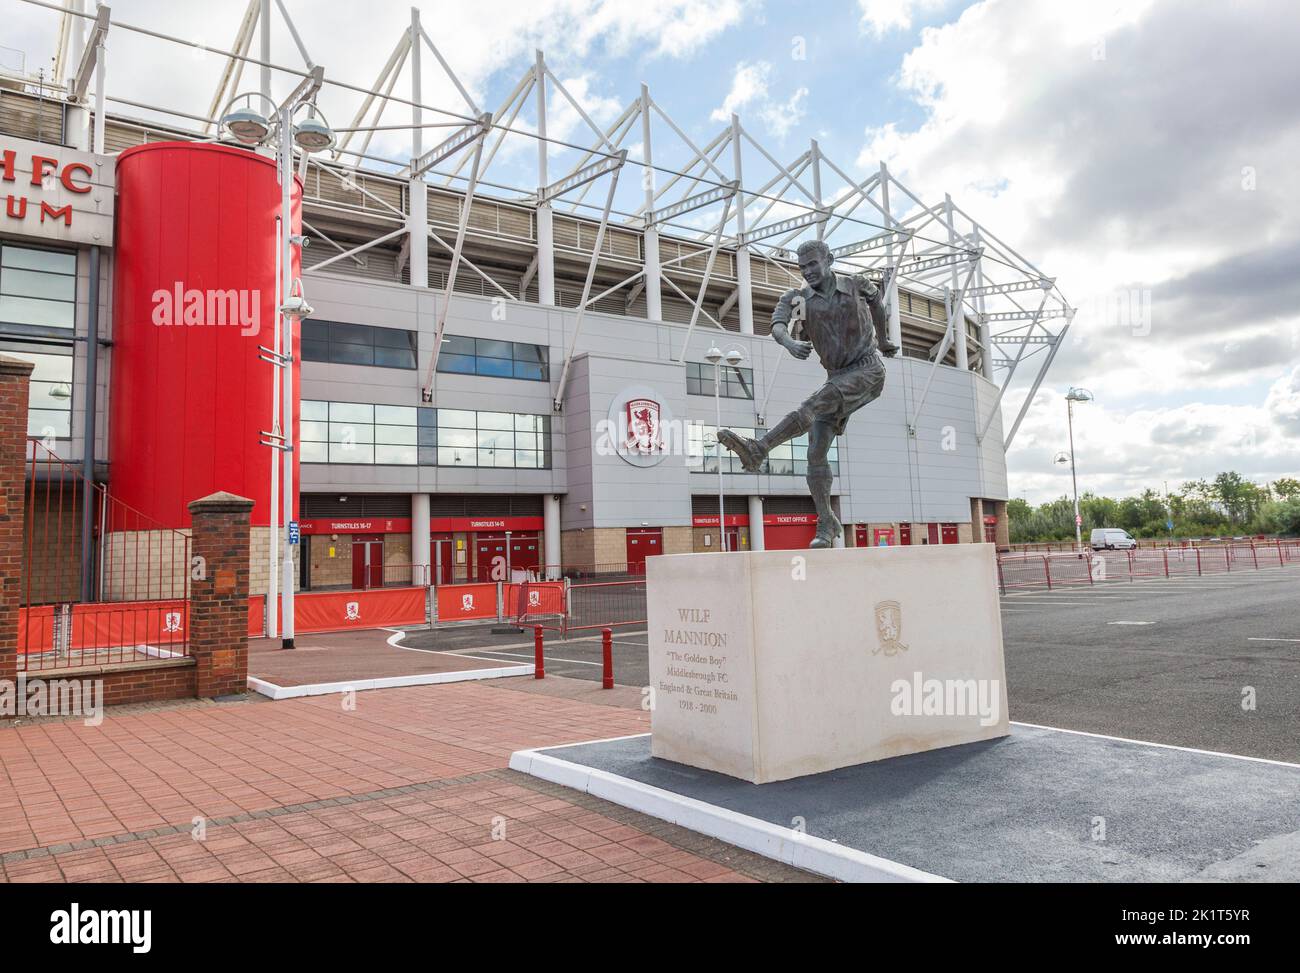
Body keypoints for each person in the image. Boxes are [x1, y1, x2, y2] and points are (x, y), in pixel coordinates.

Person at [718, 239, 898, 548]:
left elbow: (878, 306)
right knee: (815, 451)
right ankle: (826, 522)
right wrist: (789, 343)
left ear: (829, 259)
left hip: (868, 370)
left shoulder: (855, 284)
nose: (809, 271)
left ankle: (760, 447)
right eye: (802, 267)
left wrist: (883, 341)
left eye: (813, 264)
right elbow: (777, 326)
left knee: (811, 406)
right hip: (837, 378)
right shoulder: (797, 297)